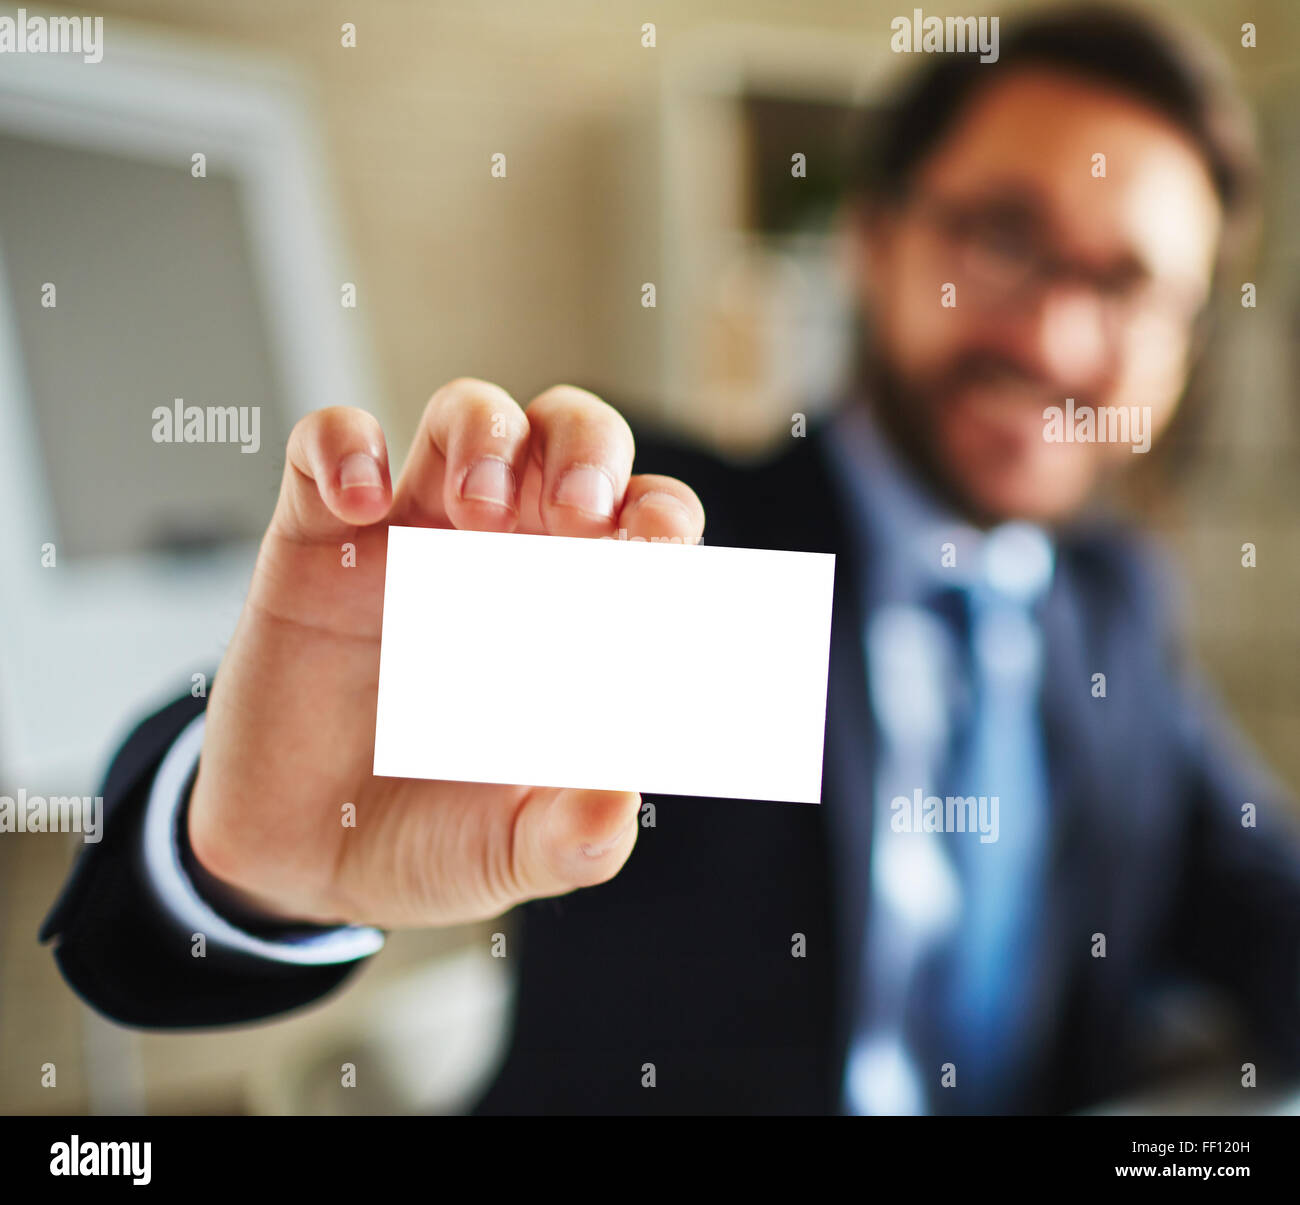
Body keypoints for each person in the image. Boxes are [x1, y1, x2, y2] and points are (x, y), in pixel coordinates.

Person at [42, 5, 1300, 1114]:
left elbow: (1255, 895)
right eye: (1004, 236)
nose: (1058, 334)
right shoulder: (669, 545)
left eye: (1130, 285)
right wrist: (236, 860)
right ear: (872, 235)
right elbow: (254, 811)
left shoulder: (1112, 606)